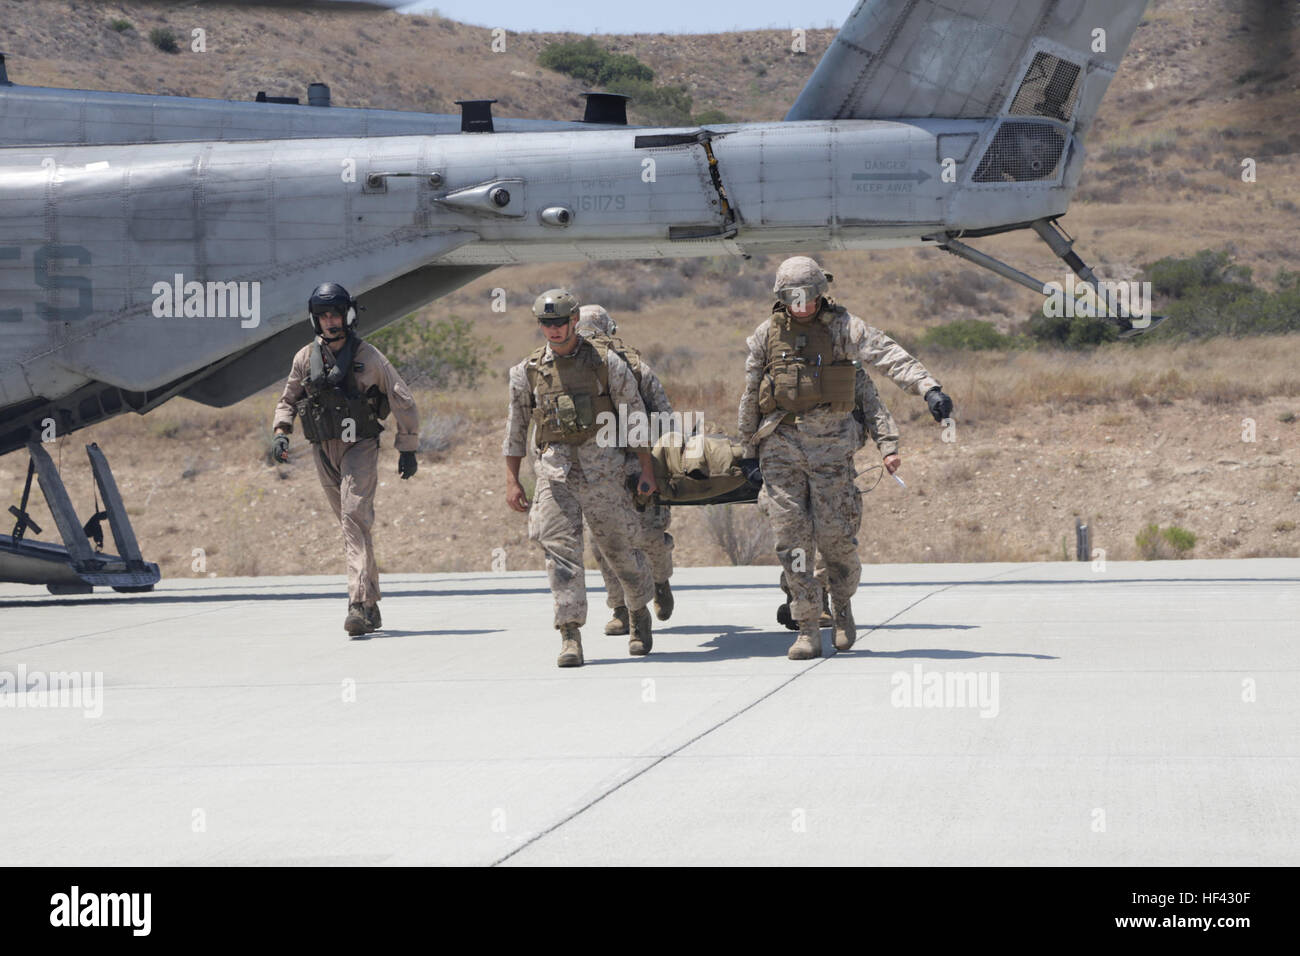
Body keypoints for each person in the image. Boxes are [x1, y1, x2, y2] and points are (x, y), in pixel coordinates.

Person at [738, 256, 953, 660]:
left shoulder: (842, 329)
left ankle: (842, 606)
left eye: (808, 297)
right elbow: (751, 394)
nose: (801, 305)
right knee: (792, 543)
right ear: (782, 298)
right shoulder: (766, 336)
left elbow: (888, 355)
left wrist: (929, 388)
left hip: (831, 454)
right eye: (792, 298)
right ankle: (805, 627)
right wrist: (748, 450)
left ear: (821, 294)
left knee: (836, 541)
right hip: (781, 452)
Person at [503, 289, 658, 668]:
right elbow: (516, 427)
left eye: (560, 322)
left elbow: (635, 417)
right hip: (555, 474)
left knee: (619, 548)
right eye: (546, 323)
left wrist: (646, 469)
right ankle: (570, 635)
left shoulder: (606, 363)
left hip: (604, 470)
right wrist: (511, 479)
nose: (553, 330)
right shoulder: (526, 372)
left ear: (574, 321)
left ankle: (638, 614)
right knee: (560, 554)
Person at [271, 282, 420, 637]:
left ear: (348, 315)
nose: (330, 321)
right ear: (315, 320)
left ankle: (355, 604)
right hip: (323, 448)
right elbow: (289, 398)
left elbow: (403, 400)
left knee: (354, 515)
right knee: (353, 525)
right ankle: (371, 605)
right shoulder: (305, 358)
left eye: (335, 314)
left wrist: (408, 447)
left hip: (360, 445)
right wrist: (280, 431)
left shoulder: (369, 357)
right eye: (323, 316)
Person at [574, 304, 677, 635]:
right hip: (597, 470)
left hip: (637, 466)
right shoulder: (570, 371)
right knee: (605, 544)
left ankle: (660, 582)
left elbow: (663, 416)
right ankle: (621, 608)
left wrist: (656, 462)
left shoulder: (633, 367)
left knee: (649, 536)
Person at [776, 366, 901, 630]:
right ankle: (805, 599)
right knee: (795, 539)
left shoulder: (848, 371)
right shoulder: (781, 366)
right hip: (789, 468)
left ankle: (836, 601)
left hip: (834, 469)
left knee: (835, 539)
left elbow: (875, 409)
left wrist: (888, 447)